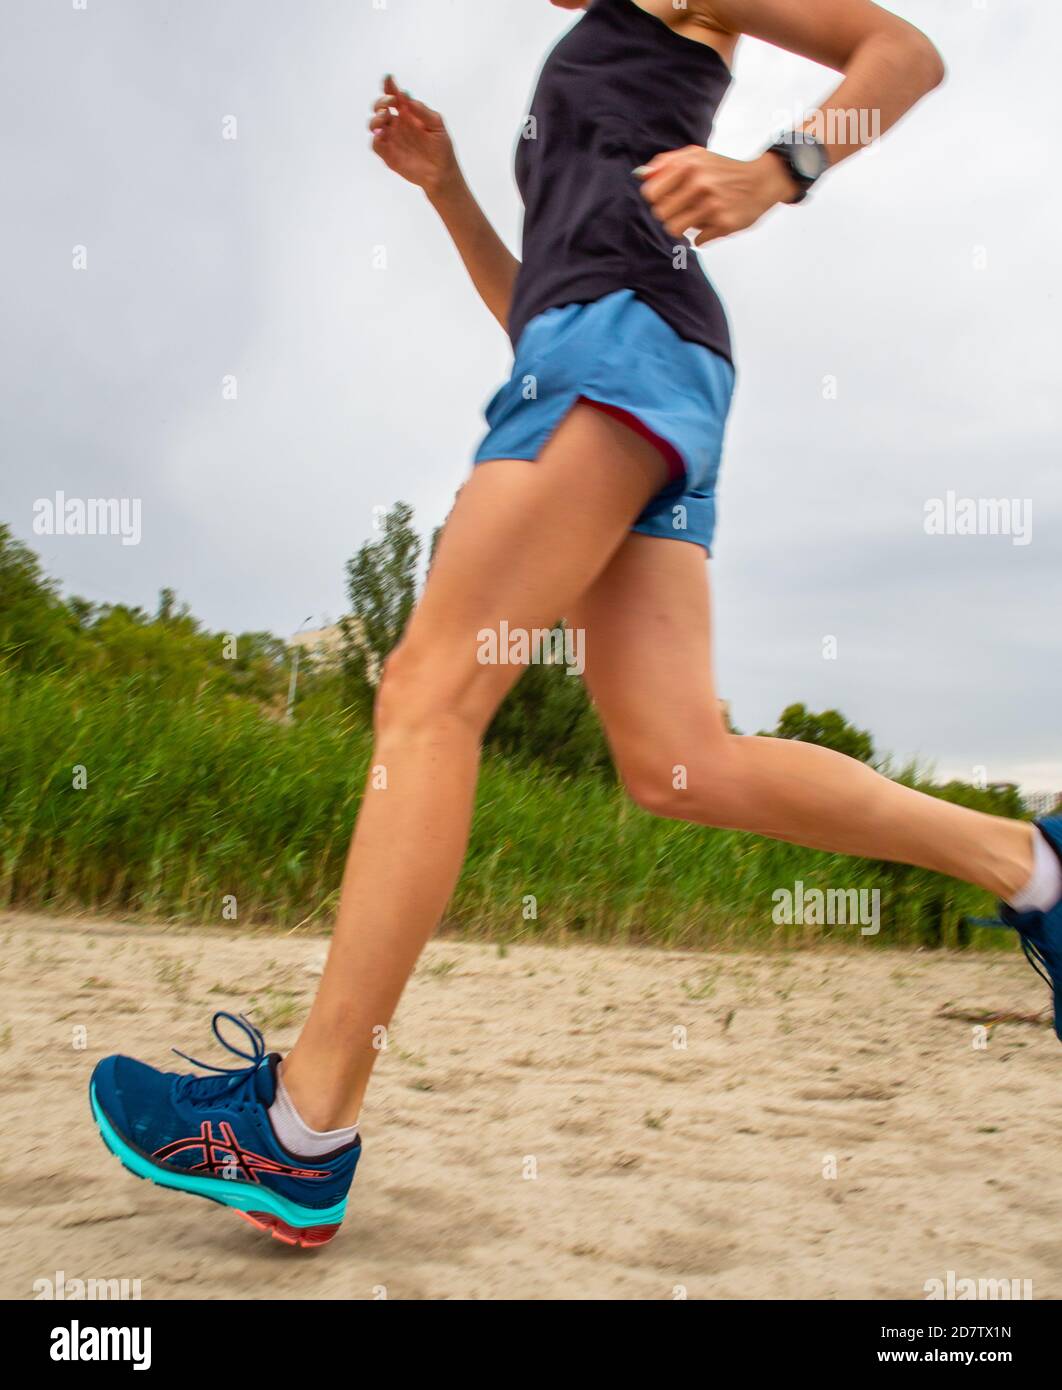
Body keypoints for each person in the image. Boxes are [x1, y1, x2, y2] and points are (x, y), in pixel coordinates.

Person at [89, 0, 1061, 1249]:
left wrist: (777, 172)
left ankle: (301, 1126)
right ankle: (1035, 869)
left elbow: (904, 54)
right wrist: (447, 189)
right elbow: (534, 299)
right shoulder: (598, 75)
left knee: (429, 694)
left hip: (624, 350)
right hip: (614, 355)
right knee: (679, 762)